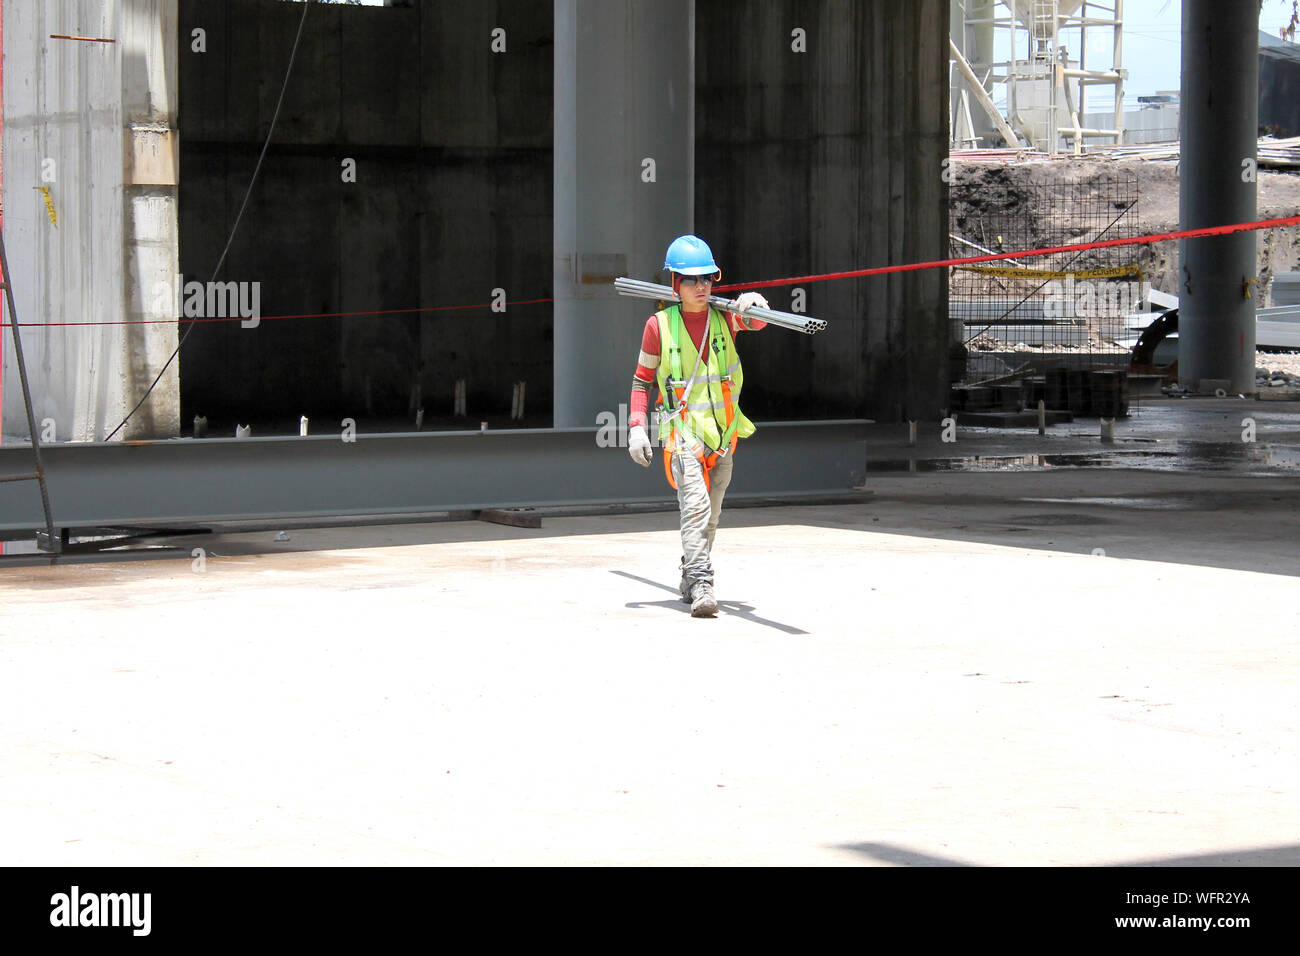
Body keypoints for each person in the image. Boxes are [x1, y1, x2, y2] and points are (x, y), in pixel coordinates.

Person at [626, 235, 768, 618]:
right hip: (682, 432)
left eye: (707, 277)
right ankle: (703, 582)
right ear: (675, 283)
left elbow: (754, 321)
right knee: (696, 508)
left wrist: (756, 303)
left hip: (722, 435)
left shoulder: (724, 316)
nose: (701, 286)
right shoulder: (658, 326)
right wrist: (637, 426)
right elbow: (643, 380)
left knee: (713, 514)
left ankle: (691, 575)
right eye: (691, 280)